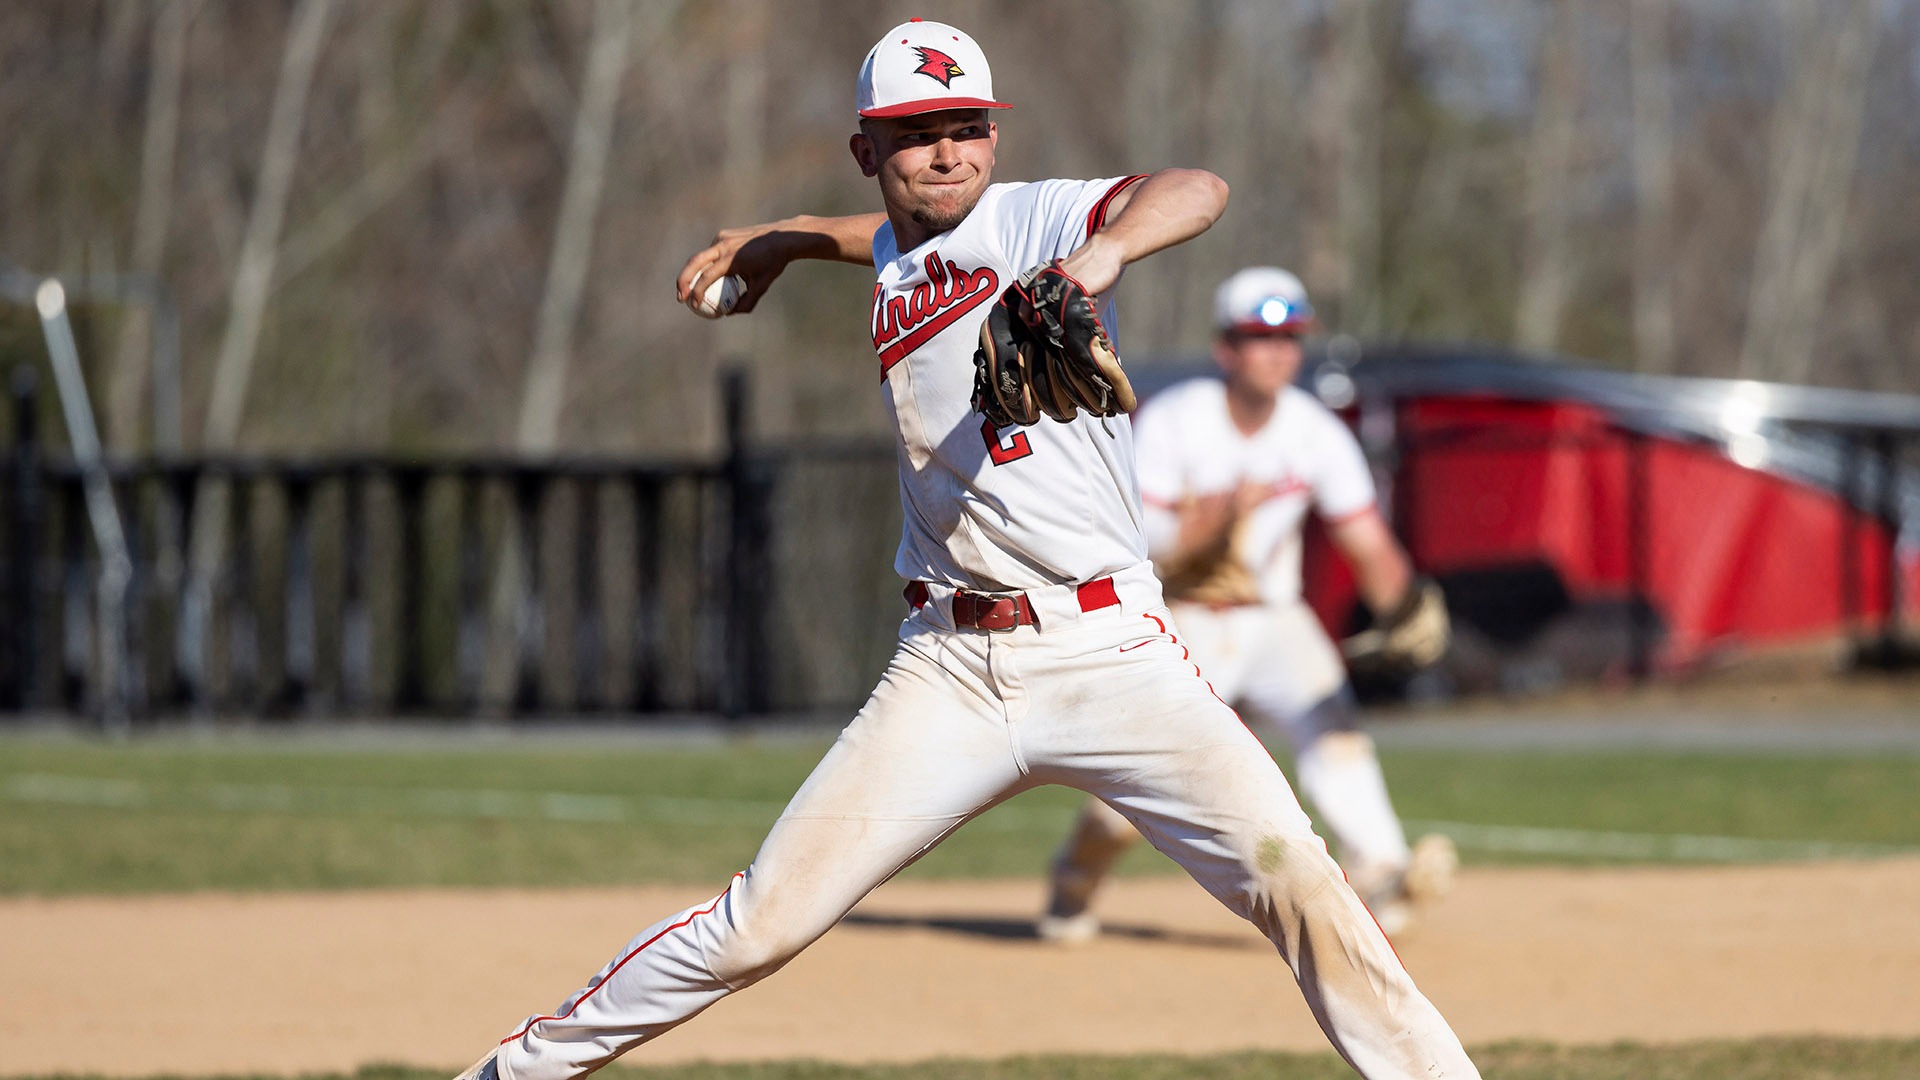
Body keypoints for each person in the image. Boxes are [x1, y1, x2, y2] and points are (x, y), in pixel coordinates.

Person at [455, 21, 1479, 1080]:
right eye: (915, 134)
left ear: (995, 134)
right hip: (948, 669)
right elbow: (895, 238)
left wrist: (1097, 258)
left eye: (966, 128)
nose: (947, 152)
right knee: (757, 927)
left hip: (1113, 656)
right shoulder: (902, 251)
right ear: (869, 151)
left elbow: (1197, 185)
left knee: (1302, 885)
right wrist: (793, 235)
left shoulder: (1033, 217)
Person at [1036, 266, 1459, 947]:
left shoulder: (1314, 430)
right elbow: (1143, 549)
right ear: (1225, 348)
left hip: (1273, 618)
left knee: (1335, 728)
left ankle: (1380, 870)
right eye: (1259, 337)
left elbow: (1365, 539)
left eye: (1289, 337)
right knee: (1131, 795)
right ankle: (1077, 873)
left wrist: (1404, 605)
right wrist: (1220, 518)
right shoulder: (1176, 422)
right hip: (1183, 621)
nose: (1277, 352)